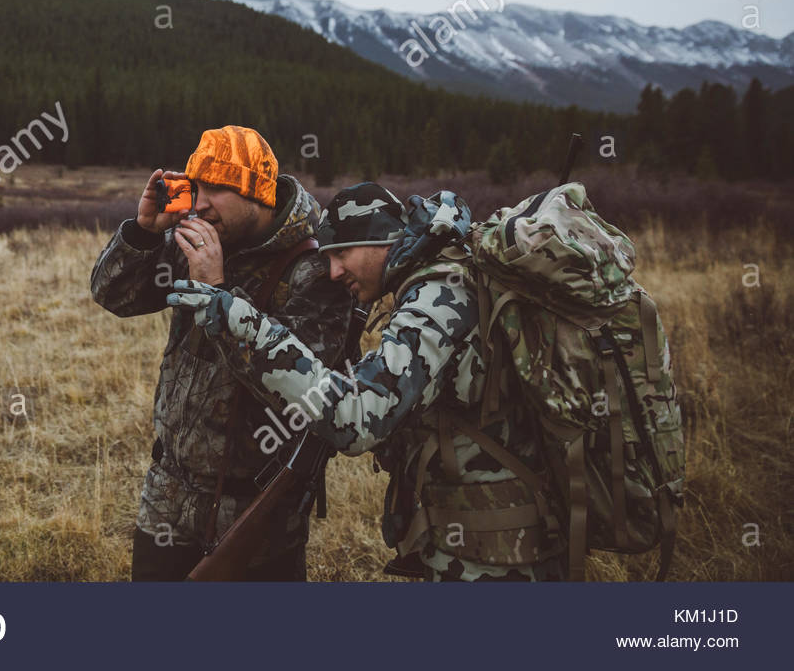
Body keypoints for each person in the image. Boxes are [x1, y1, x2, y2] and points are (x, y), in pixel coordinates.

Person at [167, 181, 569, 581]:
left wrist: (250, 329)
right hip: (481, 536)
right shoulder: (439, 274)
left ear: (383, 239)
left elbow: (359, 419)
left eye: (342, 253)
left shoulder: (439, 297)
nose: (334, 271)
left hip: (499, 551)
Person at [90, 126, 353, 581]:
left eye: (218, 188)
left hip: (257, 512)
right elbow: (114, 295)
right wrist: (145, 234)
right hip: (168, 494)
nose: (201, 202)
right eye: (197, 186)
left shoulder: (315, 267)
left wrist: (217, 293)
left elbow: (303, 397)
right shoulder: (201, 235)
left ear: (258, 194)